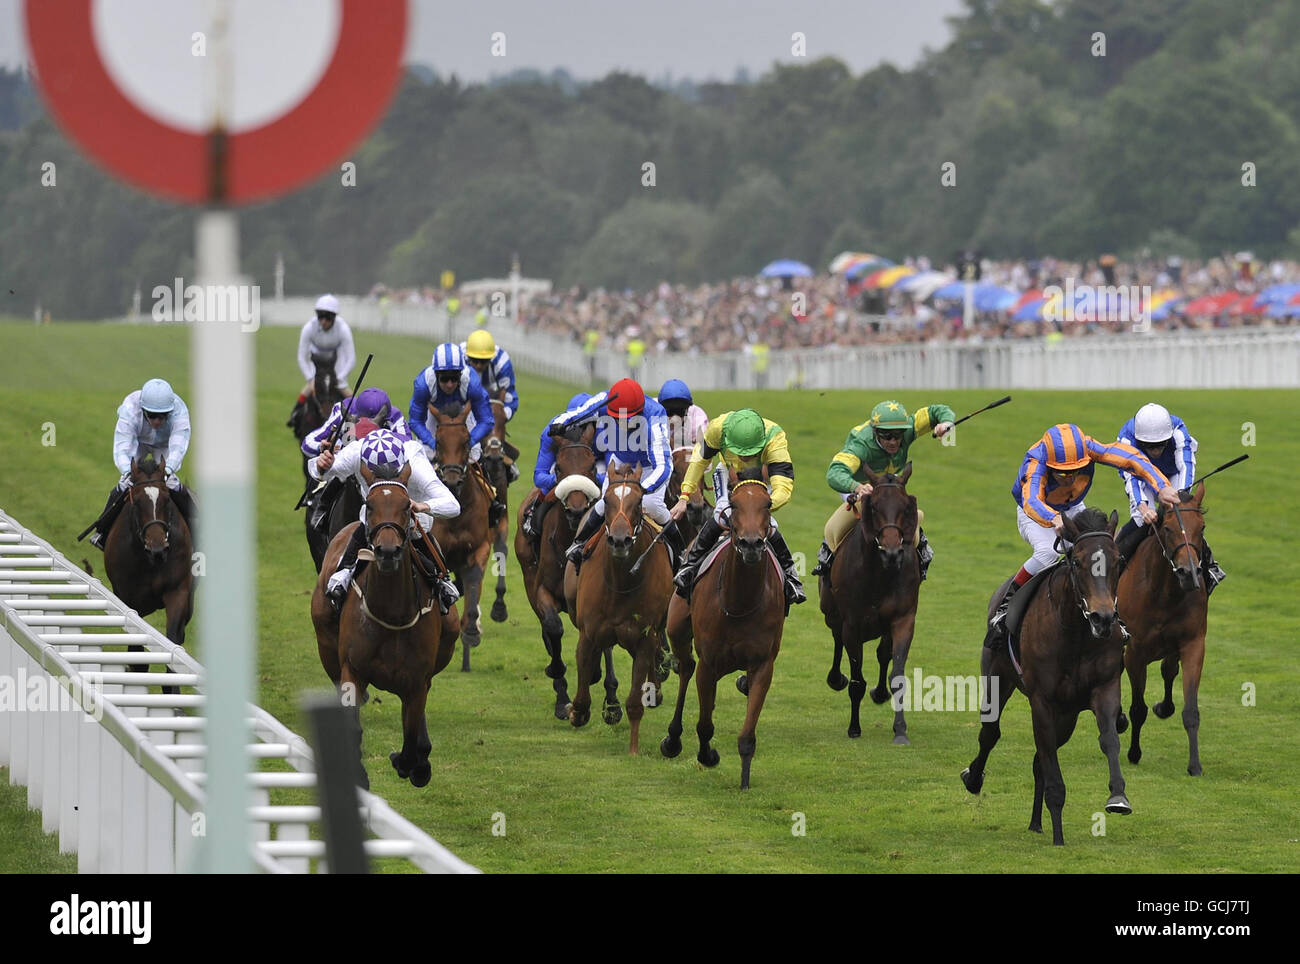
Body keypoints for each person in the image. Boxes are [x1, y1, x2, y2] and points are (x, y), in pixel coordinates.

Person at [985, 423, 1181, 649]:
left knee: (1100, 550)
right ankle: (1006, 604)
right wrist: (1054, 519)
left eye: (1074, 471)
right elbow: (1031, 501)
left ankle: (1111, 611)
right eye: (1060, 473)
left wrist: (1162, 486)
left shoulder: (1089, 447)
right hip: (1035, 513)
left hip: (1073, 506)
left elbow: (1131, 458)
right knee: (1048, 552)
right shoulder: (1035, 462)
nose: (1068, 478)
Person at [310, 426, 461, 614]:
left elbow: (453, 506)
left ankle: (441, 580)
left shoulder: (415, 460)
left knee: (416, 530)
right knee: (368, 521)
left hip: (411, 518)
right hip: (374, 516)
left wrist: (422, 506)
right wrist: (321, 465)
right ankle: (343, 573)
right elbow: (321, 473)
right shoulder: (356, 451)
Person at [670, 408, 806, 606]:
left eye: (750, 452)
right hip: (728, 474)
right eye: (739, 451)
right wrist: (684, 496)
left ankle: (792, 577)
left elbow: (783, 486)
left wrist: (760, 508)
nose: (744, 456)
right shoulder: (718, 428)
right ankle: (688, 567)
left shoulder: (775, 438)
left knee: (770, 524)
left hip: (759, 479)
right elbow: (699, 461)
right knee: (721, 515)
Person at [546, 378, 684, 568]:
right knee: (605, 502)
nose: (622, 423)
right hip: (620, 460)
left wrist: (641, 489)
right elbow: (580, 412)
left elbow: (663, 466)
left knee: (652, 505)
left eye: (628, 420)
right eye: (618, 419)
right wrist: (561, 423)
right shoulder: (605, 399)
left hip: (650, 466)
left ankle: (680, 555)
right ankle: (578, 544)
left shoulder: (655, 414)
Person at [813, 399, 955, 581]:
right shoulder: (861, 444)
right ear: (875, 432)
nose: (894, 441)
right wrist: (856, 487)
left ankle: (921, 557)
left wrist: (945, 422)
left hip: (889, 483)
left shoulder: (909, 428)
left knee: (914, 517)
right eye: (887, 436)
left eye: (898, 435)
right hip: (860, 485)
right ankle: (827, 561)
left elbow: (937, 411)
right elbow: (834, 473)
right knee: (834, 527)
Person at [1116, 402, 1224, 591]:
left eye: (1160, 445)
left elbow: (1186, 465)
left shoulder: (1179, 431)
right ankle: (1114, 567)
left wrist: (1180, 497)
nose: (1156, 451)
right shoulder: (1126, 440)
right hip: (1141, 476)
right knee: (1141, 520)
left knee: (1184, 517)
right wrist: (1143, 507)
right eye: (1150, 446)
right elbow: (1131, 478)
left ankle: (1210, 568)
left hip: (1172, 473)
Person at [89, 378, 196, 550]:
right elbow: (122, 447)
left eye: (163, 416)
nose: (157, 421)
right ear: (143, 409)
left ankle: (197, 530)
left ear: (171, 411)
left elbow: (178, 447)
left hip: (164, 446)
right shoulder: (130, 409)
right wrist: (128, 471)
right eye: (152, 415)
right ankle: (102, 532)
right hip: (138, 443)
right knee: (125, 483)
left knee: (171, 483)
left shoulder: (180, 412)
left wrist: (167, 469)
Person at [521, 392, 609, 544]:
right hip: (565, 467)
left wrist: (591, 477)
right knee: (551, 476)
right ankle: (534, 515)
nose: (580, 432)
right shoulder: (551, 433)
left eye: (585, 425)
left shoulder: (605, 433)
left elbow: (611, 471)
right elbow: (539, 476)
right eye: (575, 425)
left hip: (594, 467)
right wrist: (563, 478)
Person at [287, 294, 357, 429]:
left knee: (346, 391)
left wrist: (340, 378)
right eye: (320, 316)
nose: (324, 321)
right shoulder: (309, 328)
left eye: (328, 317)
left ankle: (359, 416)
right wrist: (310, 379)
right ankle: (295, 414)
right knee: (308, 389)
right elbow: (302, 357)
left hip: (337, 361)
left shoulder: (343, 329)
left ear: (334, 317)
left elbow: (351, 359)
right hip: (316, 361)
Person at [462, 329, 520, 484]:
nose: (479, 365)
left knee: (494, 428)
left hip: (492, 410)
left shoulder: (502, 363)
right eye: (474, 360)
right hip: (464, 406)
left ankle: (506, 468)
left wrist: (500, 417)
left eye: (483, 361)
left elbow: (510, 399)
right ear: (468, 357)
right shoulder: (457, 359)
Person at [655, 379, 709, 452]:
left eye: (680, 412)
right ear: (660, 408)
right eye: (669, 412)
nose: (675, 419)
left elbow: (703, 457)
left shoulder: (698, 419)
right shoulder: (651, 413)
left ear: (688, 409)